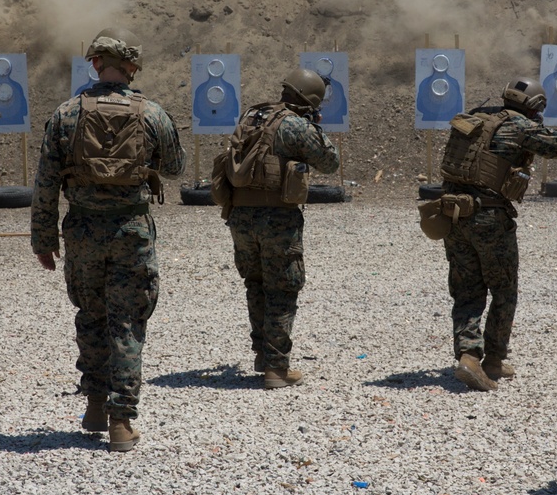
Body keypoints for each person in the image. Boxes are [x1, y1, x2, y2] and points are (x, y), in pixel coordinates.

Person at [31, 28, 186, 452]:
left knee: (90, 314)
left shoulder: (66, 113)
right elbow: (175, 168)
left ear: (95, 63)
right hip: (130, 231)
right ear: (132, 67)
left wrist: (42, 239)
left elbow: (44, 182)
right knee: (127, 322)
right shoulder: (151, 113)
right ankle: (121, 422)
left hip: (81, 231)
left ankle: (95, 405)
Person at [436, 78, 557, 392]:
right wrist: (536, 126)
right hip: (489, 217)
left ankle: (468, 355)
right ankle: (494, 360)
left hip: (453, 214)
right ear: (535, 106)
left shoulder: (474, 118)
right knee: (503, 288)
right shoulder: (520, 127)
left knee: (467, 290)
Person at [217, 67, 339, 389]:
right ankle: (277, 368)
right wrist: (314, 128)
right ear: (309, 101)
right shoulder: (296, 125)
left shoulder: (252, 116)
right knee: (283, 288)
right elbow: (330, 161)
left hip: (240, 216)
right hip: (277, 218)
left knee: (255, 283)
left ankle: (262, 354)